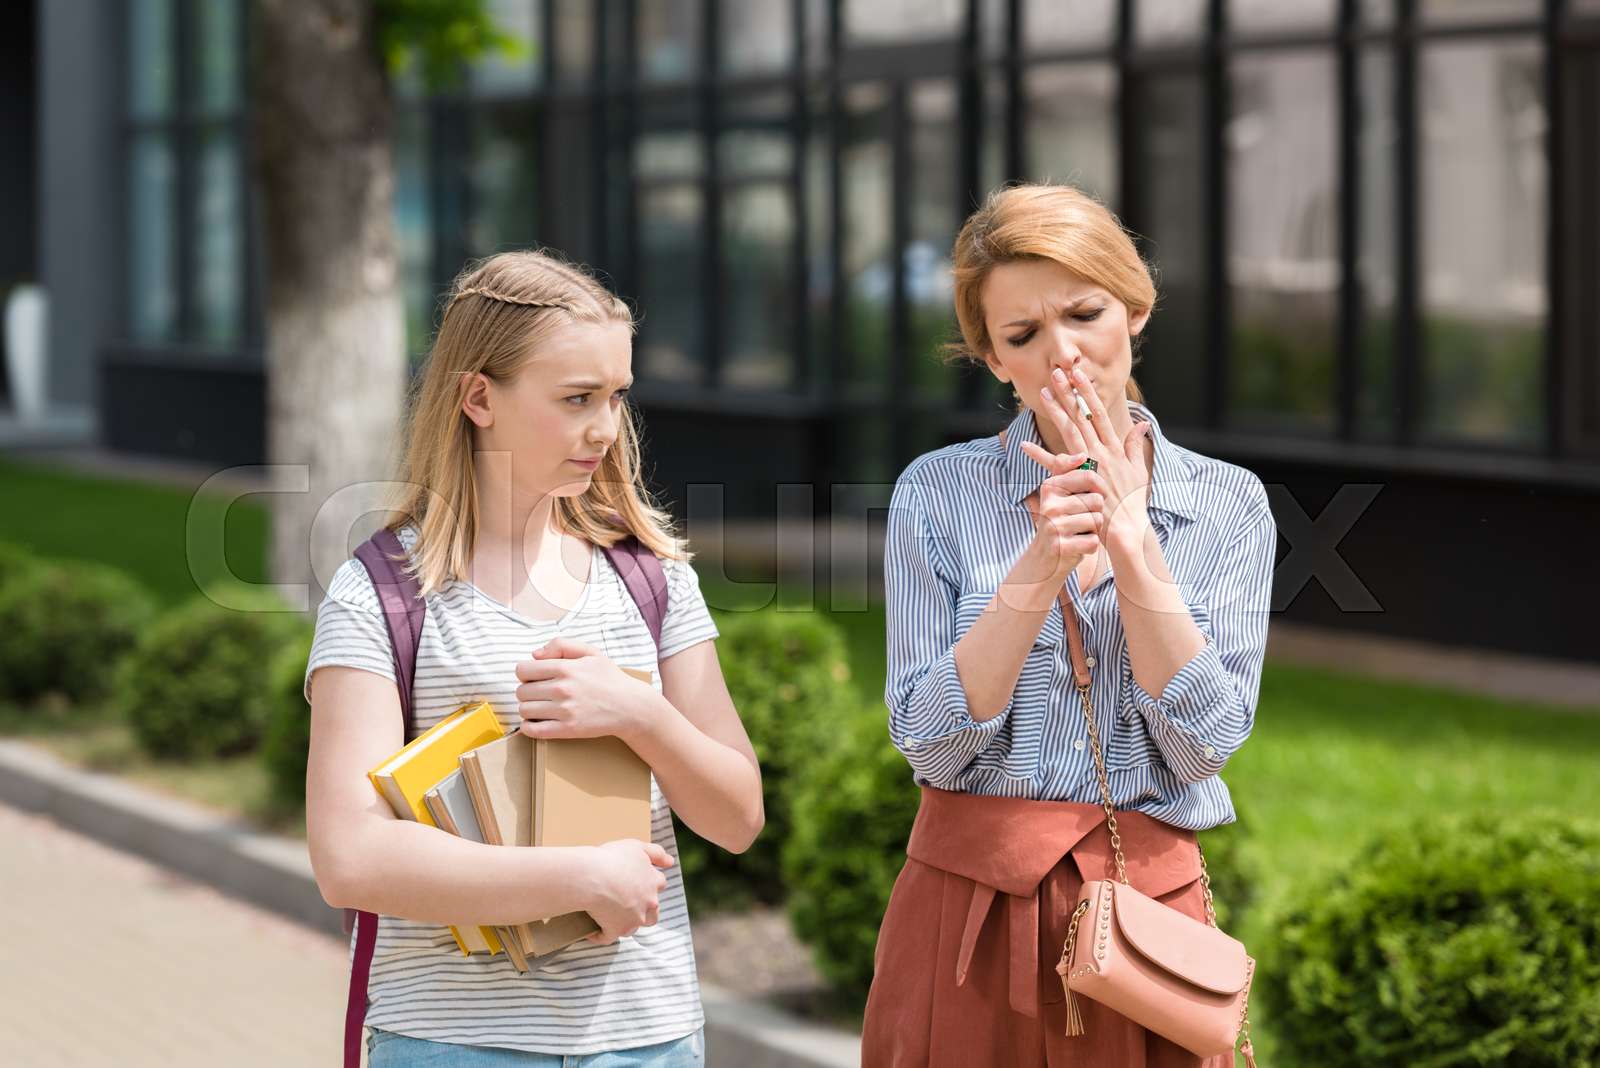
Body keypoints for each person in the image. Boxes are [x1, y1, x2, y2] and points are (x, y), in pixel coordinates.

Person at [304, 249, 763, 1066]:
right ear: (478, 397)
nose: (606, 428)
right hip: (452, 1041)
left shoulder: (651, 579)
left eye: (617, 396)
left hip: (648, 1039)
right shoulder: (380, 595)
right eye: (577, 399)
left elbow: (736, 818)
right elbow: (350, 857)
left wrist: (640, 715)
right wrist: (581, 880)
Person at [863, 184, 1276, 1067]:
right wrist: (1038, 564)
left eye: (1084, 314)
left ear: (1135, 310)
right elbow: (929, 746)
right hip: (966, 916)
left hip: (1148, 921)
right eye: (1022, 336)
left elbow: (1207, 742)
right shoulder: (935, 494)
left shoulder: (1228, 506)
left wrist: (1136, 548)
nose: (1063, 355)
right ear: (992, 360)